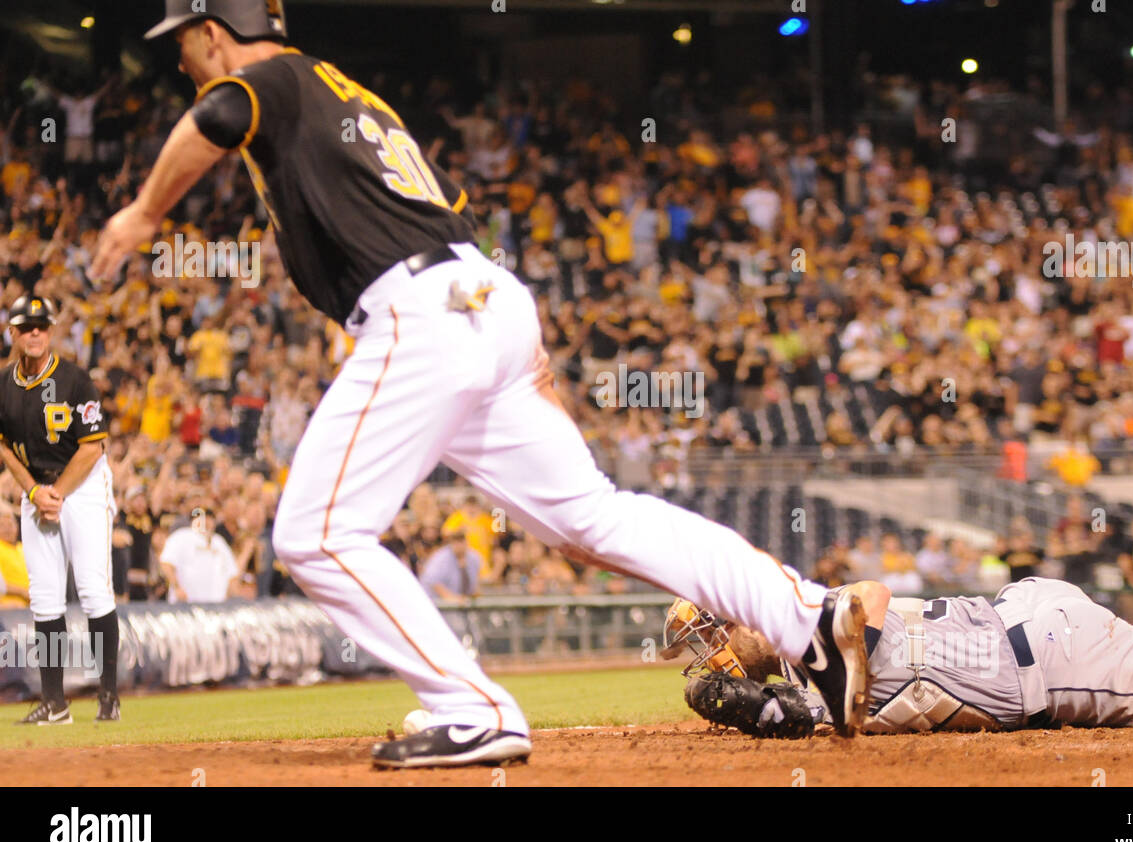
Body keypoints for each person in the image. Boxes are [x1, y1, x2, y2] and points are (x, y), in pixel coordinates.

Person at [91, 0, 869, 768]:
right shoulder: (352, 100)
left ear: (212, 33)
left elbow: (225, 109)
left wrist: (140, 212)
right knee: (594, 518)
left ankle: (473, 710)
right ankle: (807, 619)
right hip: (481, 298)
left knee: (312, 533)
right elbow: (453, 225)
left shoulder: (280, 81)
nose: (182, 62)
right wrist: (508, 345)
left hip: (424, 309)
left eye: (184, 44)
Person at [671, 432, 1133, 737]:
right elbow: (806, 709)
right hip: (1034, 629)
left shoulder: (806, 627)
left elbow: (869, 599)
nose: (715, 648)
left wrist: (785, 703)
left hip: (1047, 660)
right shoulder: (808, 670)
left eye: (718, 626)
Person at [0, 295, 120, 724]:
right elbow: (2, 444)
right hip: (39, 490)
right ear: (11, 332)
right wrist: (34, 491)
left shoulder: (73, 379)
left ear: (50, 331)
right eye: (26, 325)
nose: (34, 332)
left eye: (42, 325)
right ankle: (55, 703)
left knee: (91, 588)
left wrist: (58, 494)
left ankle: (108, 696)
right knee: (45, 597)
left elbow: (93, 447)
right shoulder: (3, 384)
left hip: (83, 486)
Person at [159, 507, 241, 603]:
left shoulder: (219, 542)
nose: (206, 522)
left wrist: (228, 597)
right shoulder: (181, 536)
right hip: (186, 603)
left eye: (209, 518)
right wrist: (177, 587)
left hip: (215, 605)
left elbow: (232, 574)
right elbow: (166, 563)